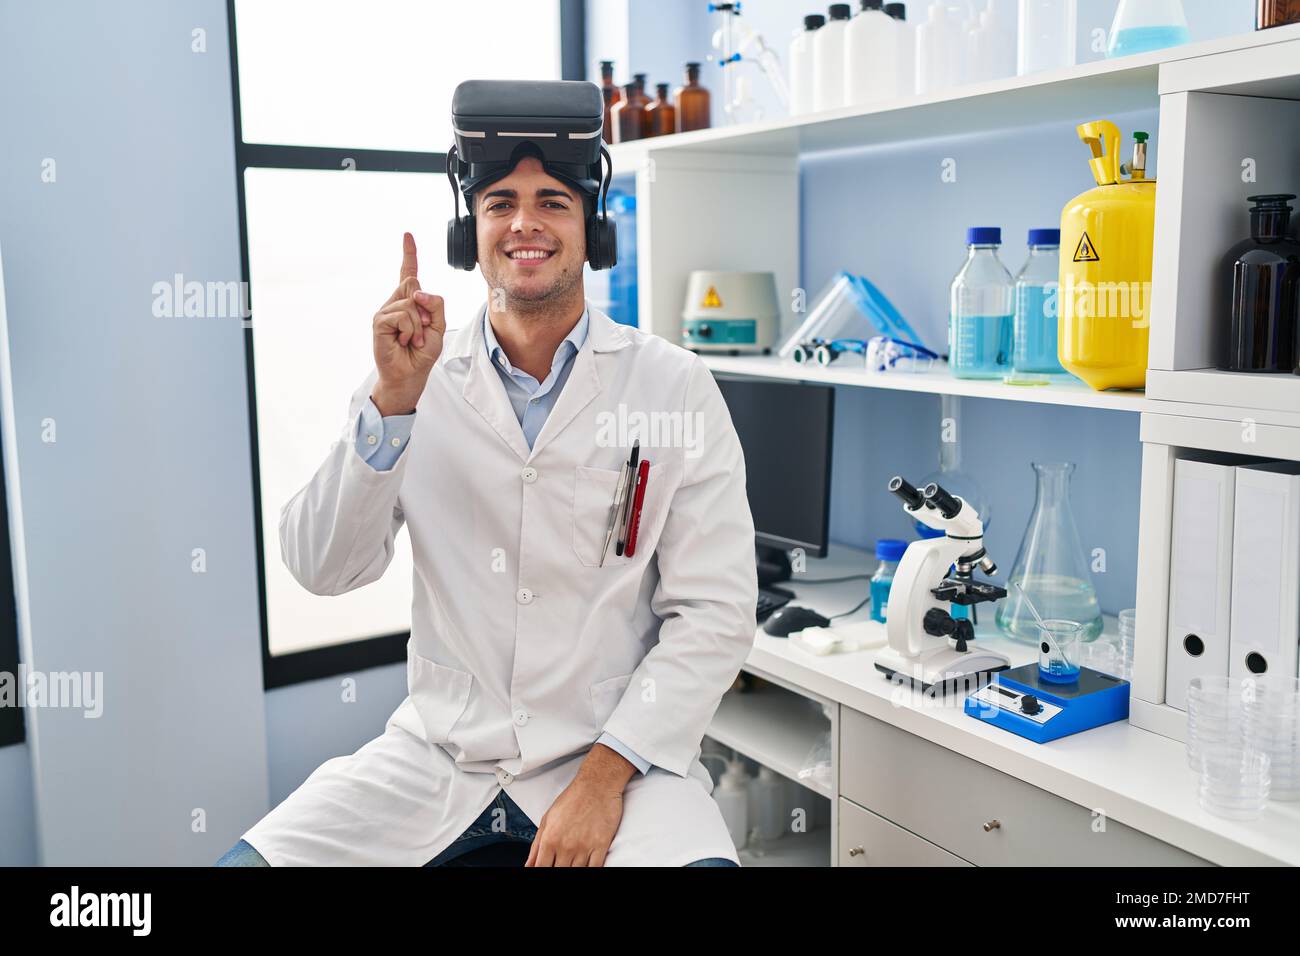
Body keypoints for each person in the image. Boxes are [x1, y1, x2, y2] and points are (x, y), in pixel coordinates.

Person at [217, 88, 758, 867]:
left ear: (591, 227)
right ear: (469, 230)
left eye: (553, 202)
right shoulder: (413, 376)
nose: (525, 224)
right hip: (440, 755)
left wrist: (604, 781)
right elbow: (321, 568)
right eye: (500, 202)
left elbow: (713, 613)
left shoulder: (672, 386)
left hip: (615, 758)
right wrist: (391, 405)